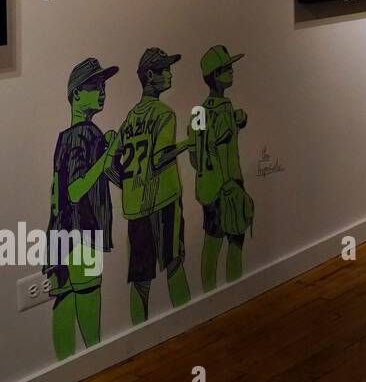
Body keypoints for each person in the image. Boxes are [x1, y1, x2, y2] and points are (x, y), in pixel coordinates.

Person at [46, 58, 121, 360]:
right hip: (83, 232)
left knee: (64, 299)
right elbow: (76, 190)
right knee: (88, 297)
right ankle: (96, 363)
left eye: (103, 86)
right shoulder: (85, 134)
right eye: (94, 86)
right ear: (76, 94)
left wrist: (111, 152)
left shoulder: (64, 138)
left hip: (60, 234)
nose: (102, 92)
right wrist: (107, 156)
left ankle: (65, 368)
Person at [116, 48, 194, 324]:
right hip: (163, 200)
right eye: (165, 69)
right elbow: (160, 158)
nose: (170, 74)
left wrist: (127, 186)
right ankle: (186, 323)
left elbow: (114, 166)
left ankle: (138, 332)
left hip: (135, 206)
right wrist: (188, 144)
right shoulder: (164, 113)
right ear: (150, 75)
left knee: (140, 278)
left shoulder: (129, 118)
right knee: (174, 264)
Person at [191, 46, 254, 293]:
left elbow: (195, 157)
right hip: (229, 186)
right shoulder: (224, 110)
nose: (232, 72)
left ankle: (209, 294)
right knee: (234, 242)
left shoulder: (200, 110)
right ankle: (234, 292)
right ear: (216, 75)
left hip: (209, 189)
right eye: (227, 69)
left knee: (212, 242)